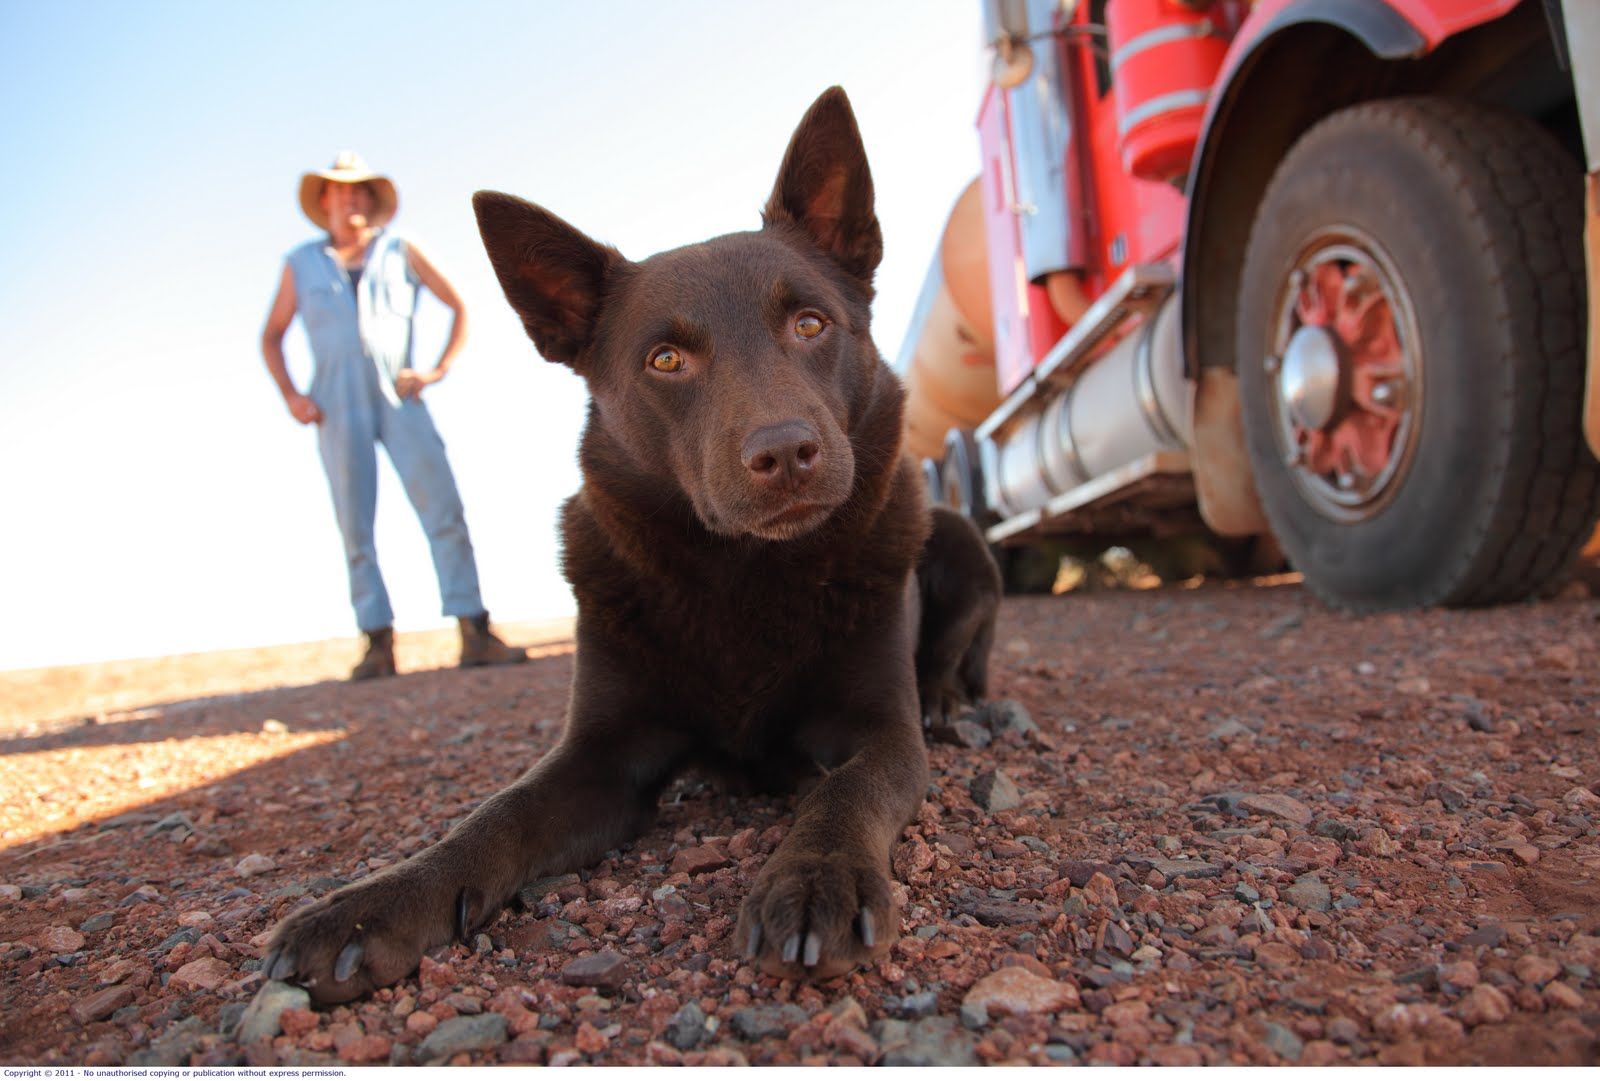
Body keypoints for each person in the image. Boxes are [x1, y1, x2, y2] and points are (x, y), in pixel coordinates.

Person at [261, 151, 527, 680]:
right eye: (342, 191)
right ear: (325, 201)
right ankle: (376, 642)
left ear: (372, 200)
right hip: (335, 403)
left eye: (361, 191)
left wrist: (437, 369)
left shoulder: (401, 250)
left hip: (399, 393)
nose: (352, 199)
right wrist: (293, 394)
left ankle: (473, 629)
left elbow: (459, 305)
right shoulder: (300, 263)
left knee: (442, 508)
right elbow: (271, 335)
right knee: (354, 522)